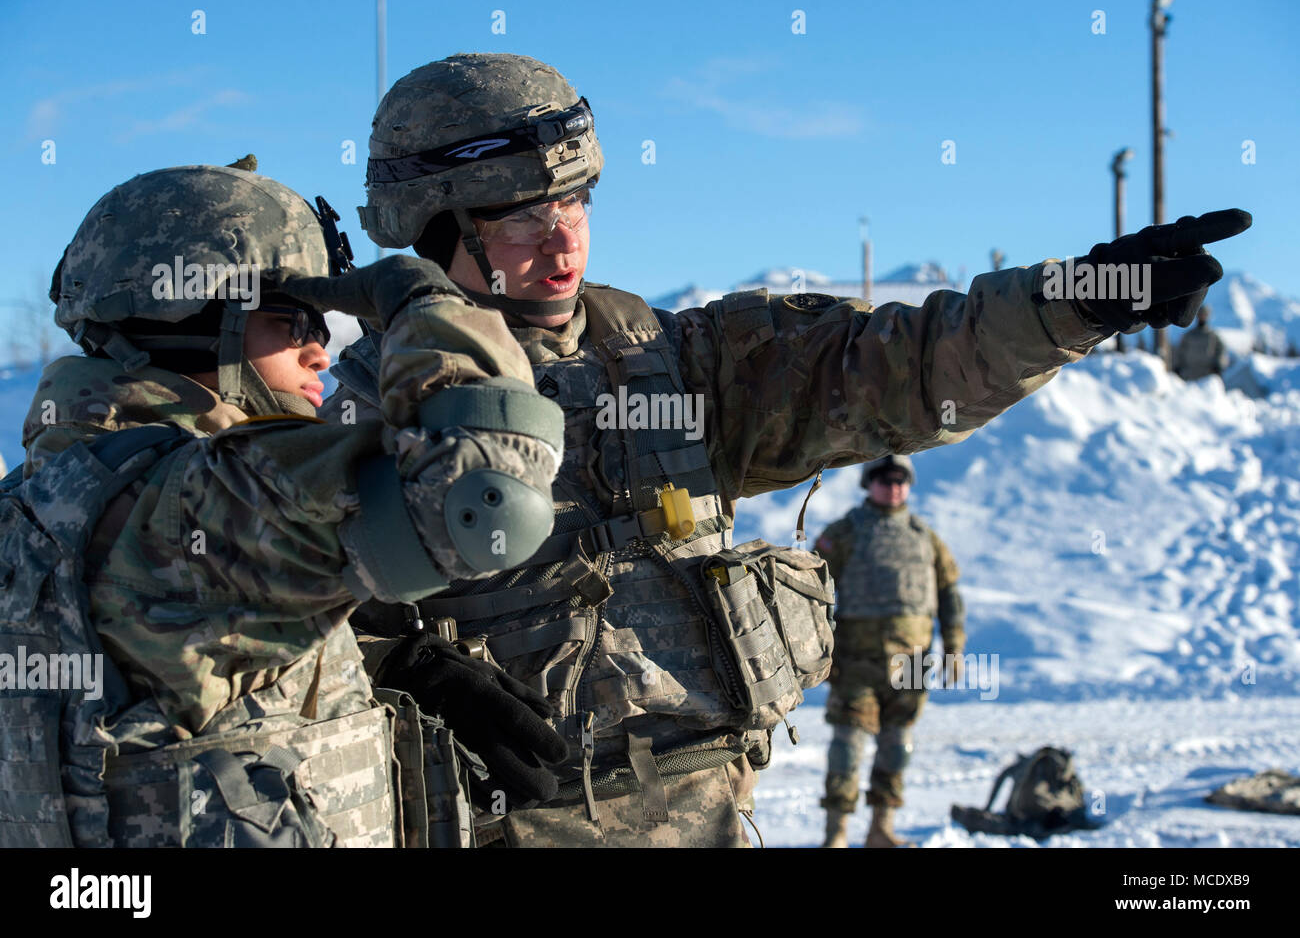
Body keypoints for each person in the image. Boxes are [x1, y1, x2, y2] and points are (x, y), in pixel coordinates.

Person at [325, 51, 1250, 847]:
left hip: (711, 814)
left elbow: (901, 367)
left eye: (576, 199)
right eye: (522, 215)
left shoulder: (672, 363)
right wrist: (396, 665)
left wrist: (1075, 303)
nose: (564, 239)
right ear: (434, 228)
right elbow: (261, 632)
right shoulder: (362, 415)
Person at [0, 163, 567, 847]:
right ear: (186, 324)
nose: (320, 353)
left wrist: (392, 665)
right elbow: (493, 500)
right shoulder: (193, 502)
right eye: (290, 320)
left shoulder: (44, 501)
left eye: (325, 329)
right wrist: (425, 303)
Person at [814, 455, 963, 848]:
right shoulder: (844, 532)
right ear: (868, 482)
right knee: (847, 747)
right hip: (855, 662)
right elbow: (812, 593)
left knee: (898, 747)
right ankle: (836, 835)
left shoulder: (924, 536)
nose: (893, 486)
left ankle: (882, 827)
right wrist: (816, 651)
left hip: (912, 664)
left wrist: (955, 646)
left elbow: (948, 593)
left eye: (901, 479)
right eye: (884, 478)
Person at [1172, 304, 1230, 380]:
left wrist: (1218, 365)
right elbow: (1178, 352)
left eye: (1204, 314)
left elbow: (1221, 352)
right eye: (1200, 314)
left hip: (1207, 376)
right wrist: (1177, 367)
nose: (1202, 316)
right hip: (1188, 376)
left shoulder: (1213, 336)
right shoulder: (1188, 336)